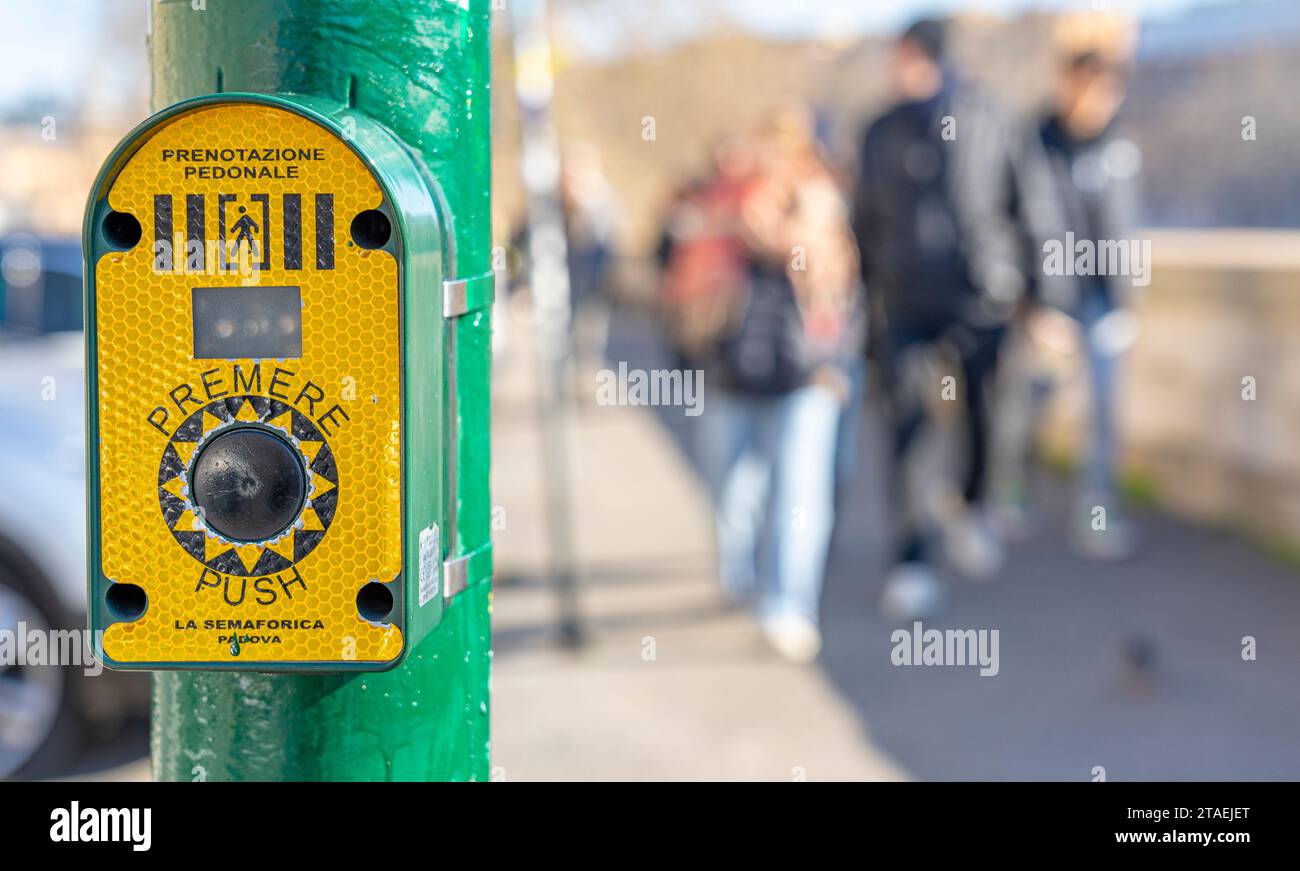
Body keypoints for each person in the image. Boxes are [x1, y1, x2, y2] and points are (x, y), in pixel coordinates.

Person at [851, 19, 1062, 620]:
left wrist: (1046, 296)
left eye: (903, 58)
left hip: (981, 298)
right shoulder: (880, 130)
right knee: (908, 429)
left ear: (927, 59)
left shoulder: (992, 117)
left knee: (989, 419)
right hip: (906, 301)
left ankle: (971, 507)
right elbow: (862, 219)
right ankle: (912, 558)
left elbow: (1033, 206)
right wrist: (863, 304)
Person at [674, 110, 861, 663]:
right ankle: (739, 573)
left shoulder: (824, 206)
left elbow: (836, 280)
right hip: (733, 367)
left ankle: (788, 606)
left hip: (807, 370)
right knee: (729, 484)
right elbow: (687, 280)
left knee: (801, 493)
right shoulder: (720, 207)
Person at [1037, 49, 1142, 559]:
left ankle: (1097, 510)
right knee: (1028, 403)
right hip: (1050, 301)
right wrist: (1039, 302)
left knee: (1102, 414)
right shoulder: (1039, 143)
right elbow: (1033, 224)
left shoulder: (1119, 146)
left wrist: (1127, 301)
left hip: (1103, 299)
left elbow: (1125, 225)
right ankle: (1001, 497)